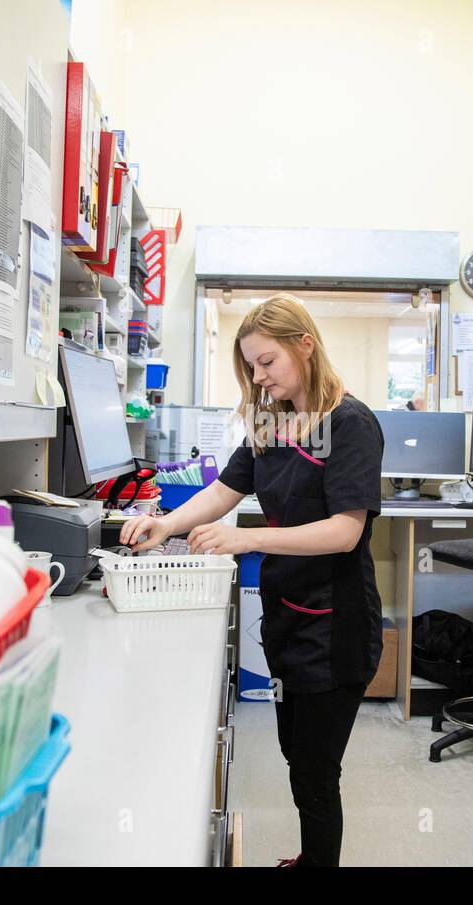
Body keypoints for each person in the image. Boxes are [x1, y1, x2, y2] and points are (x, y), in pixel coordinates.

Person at [119, 293, 385, 867]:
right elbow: (224, 490)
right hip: (290, 616)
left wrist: (247, 539)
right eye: (251, 367)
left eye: (268, 362)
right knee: (296, 752)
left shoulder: (351, 423)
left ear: (305, 345)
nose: (259, 379)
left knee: (316, 770)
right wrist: (164, 524)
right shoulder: (274, 420)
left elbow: (344, 531)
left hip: (335, 628)